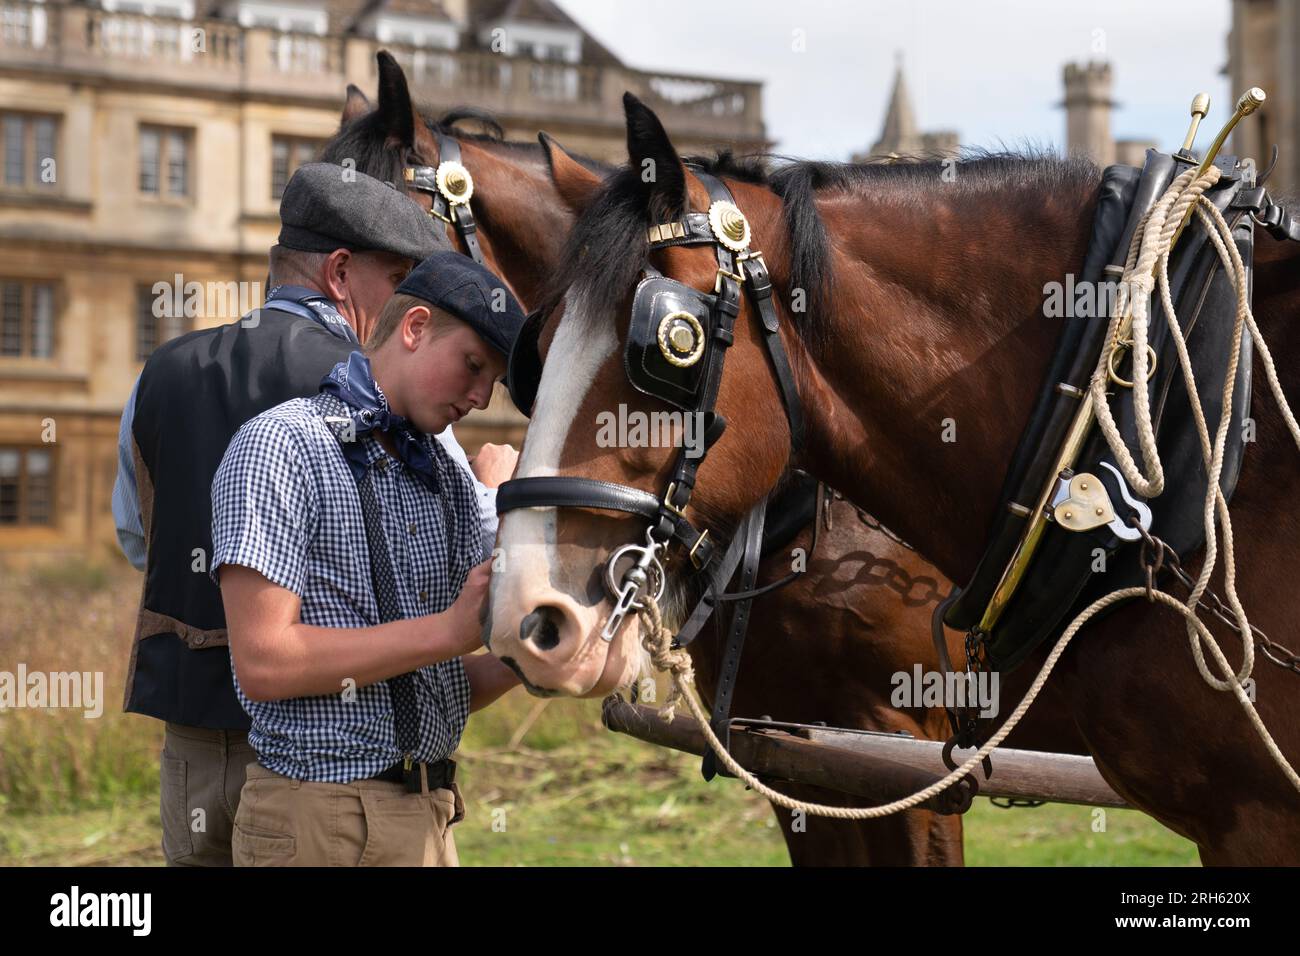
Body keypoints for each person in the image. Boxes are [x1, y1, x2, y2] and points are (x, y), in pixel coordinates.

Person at [111, 164, 512, 866]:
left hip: (199, 732)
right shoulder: (402, 402)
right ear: (340, 272)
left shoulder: (161, 371)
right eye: (397, 280)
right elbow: (467, 577)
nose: (405, 299)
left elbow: (137, 538)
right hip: (325, 759)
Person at [210, 251, 524, 866]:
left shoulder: (450, 484)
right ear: (414, 328)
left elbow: (438, 684)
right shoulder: (282, 444)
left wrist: (535, 656)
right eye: (473, 365)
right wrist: (446, 631)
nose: (482, 396)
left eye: (494, 380)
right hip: (316, 821)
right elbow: (264, 661)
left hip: (431, 814)